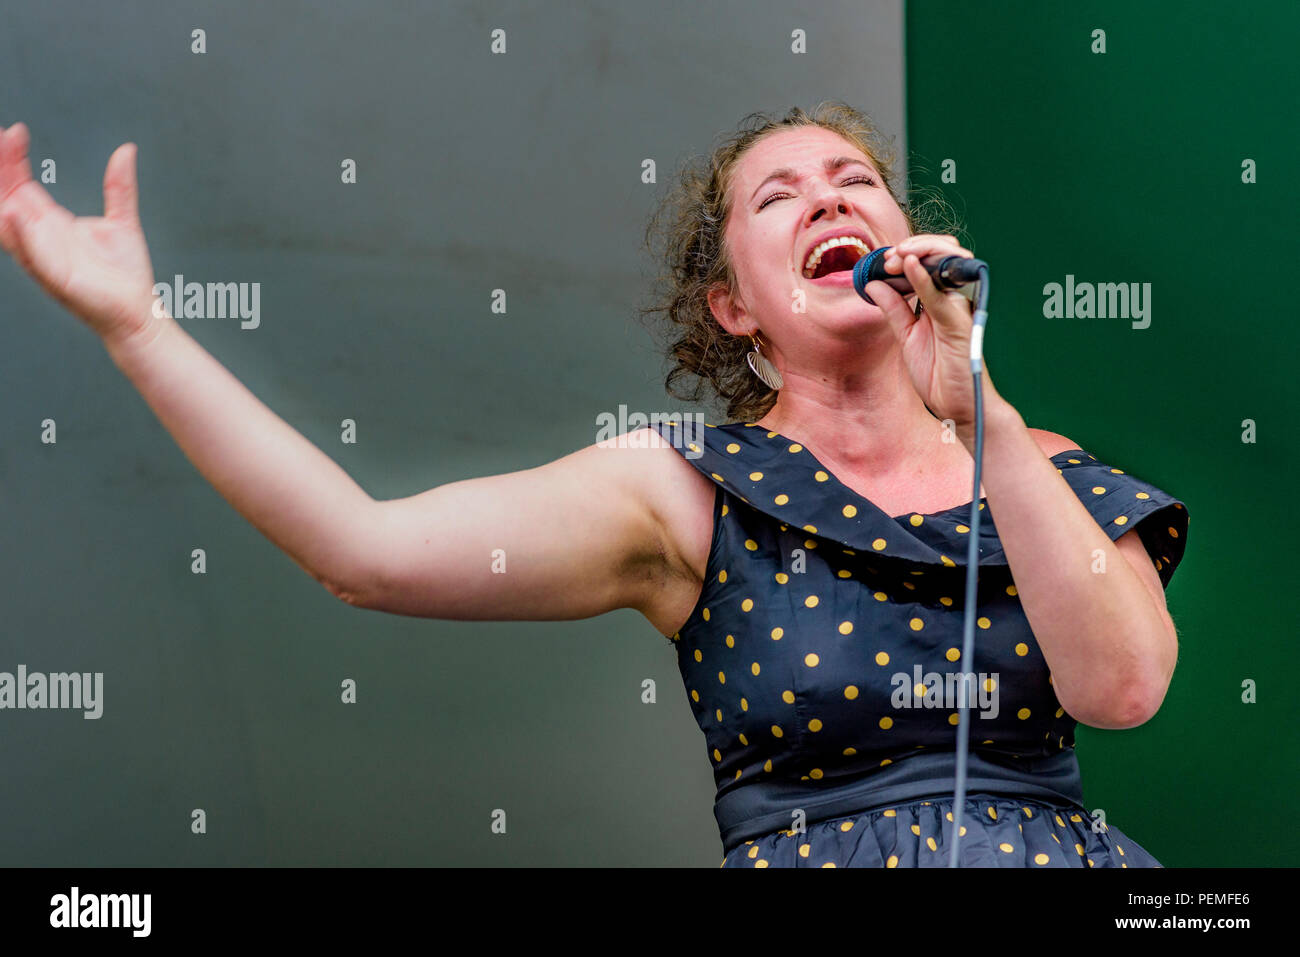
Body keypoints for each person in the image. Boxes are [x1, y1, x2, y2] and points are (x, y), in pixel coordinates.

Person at [0, 102, 1188, 868]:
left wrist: (983, 414)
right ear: (733, 308)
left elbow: (1123, 688)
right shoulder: (686, 490)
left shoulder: (1036, 464)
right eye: (777, 196)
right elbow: (362, 550)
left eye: (853, 180)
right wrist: (140, 329)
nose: (829, 197)